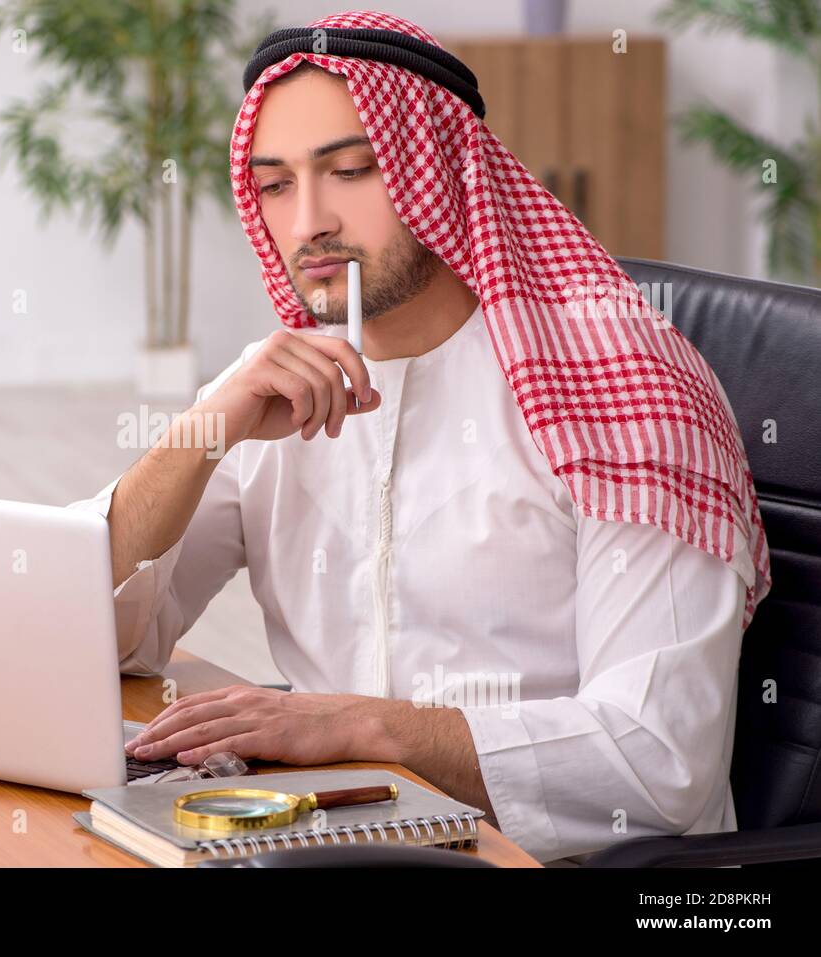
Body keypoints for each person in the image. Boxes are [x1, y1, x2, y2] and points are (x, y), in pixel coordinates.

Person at [68, 10, 770, 864]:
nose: (308, 223)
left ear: (442, 168)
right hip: (337, 833)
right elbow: (101, 631)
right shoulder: (282, 389)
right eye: (276, 185)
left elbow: (659, 759)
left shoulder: (621, 390)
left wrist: (358, 723)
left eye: (352, 170)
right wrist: (206, 425)